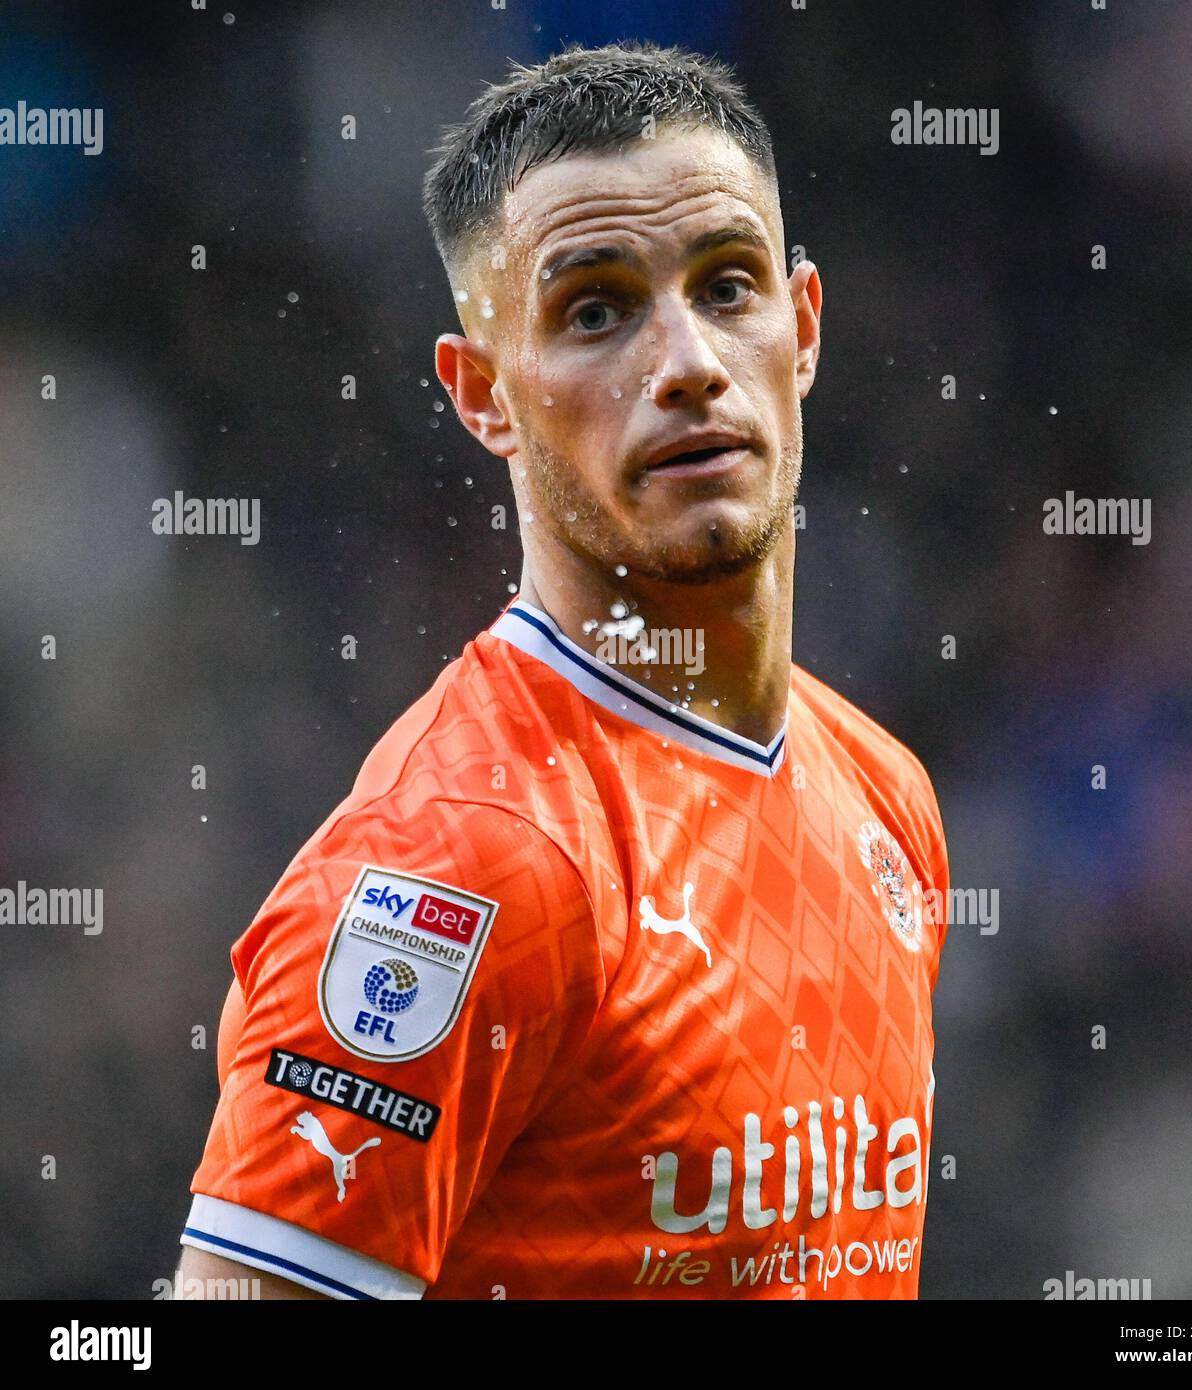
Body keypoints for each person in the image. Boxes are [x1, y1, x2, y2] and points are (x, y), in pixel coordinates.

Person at [175, 39, 949, 1301]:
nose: (687, 360)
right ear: (483, 394)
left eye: (729, 283)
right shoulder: (460, 871)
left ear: (801, 329)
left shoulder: (884, 795)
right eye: (595, 310)